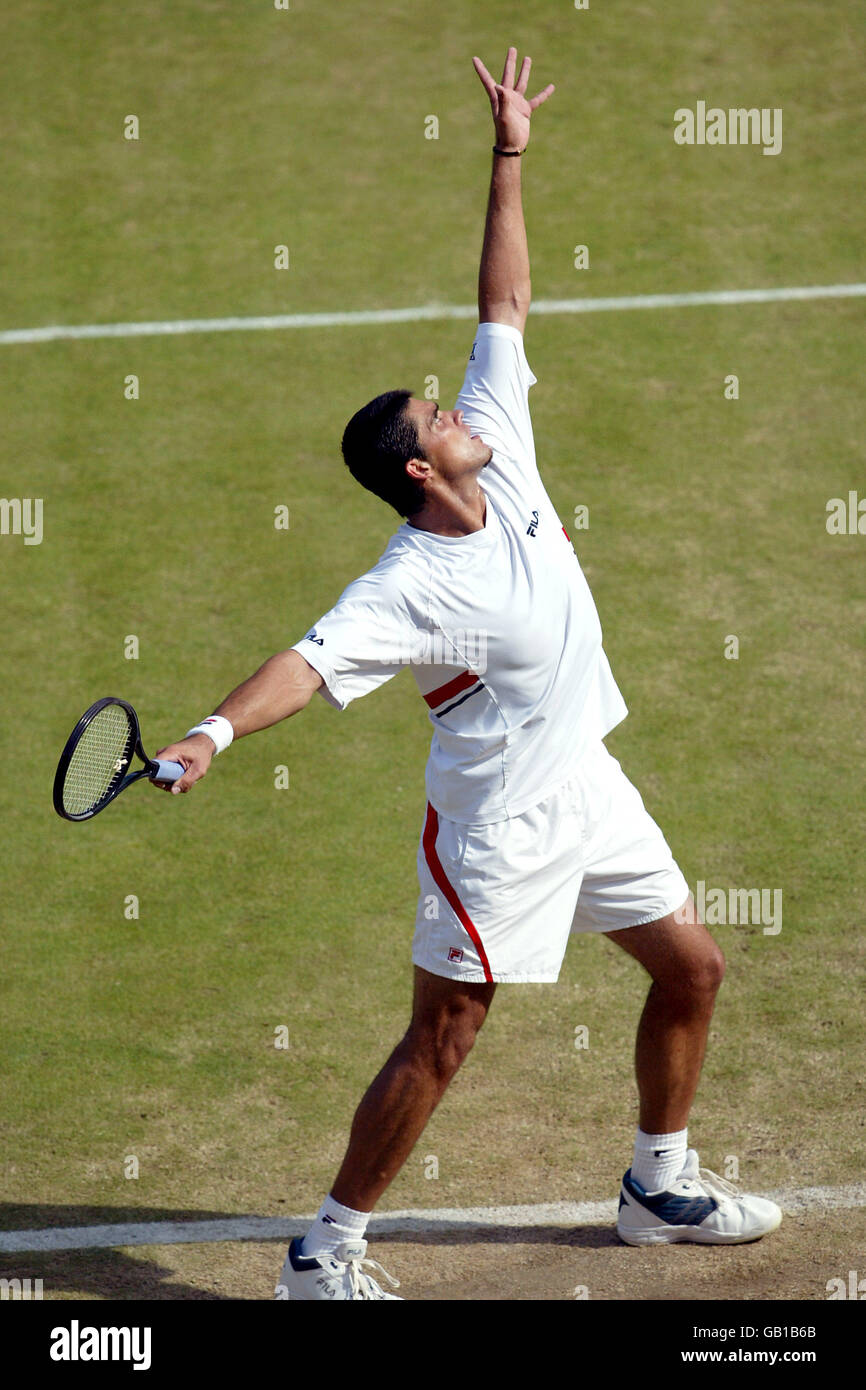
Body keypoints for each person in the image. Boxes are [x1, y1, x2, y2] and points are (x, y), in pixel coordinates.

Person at [155, 47, 782, 1301]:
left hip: (584, 788)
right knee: (443, 1038)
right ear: (418, 473)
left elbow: (501, 305)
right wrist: (208, 735)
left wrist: (507, 155)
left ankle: (657, 1184)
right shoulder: (407, 585)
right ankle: (321, 1253)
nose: (459, 406)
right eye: (437, 415)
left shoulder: (506, 457)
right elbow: (306, 661)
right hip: (494, 827)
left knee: (693, 967)